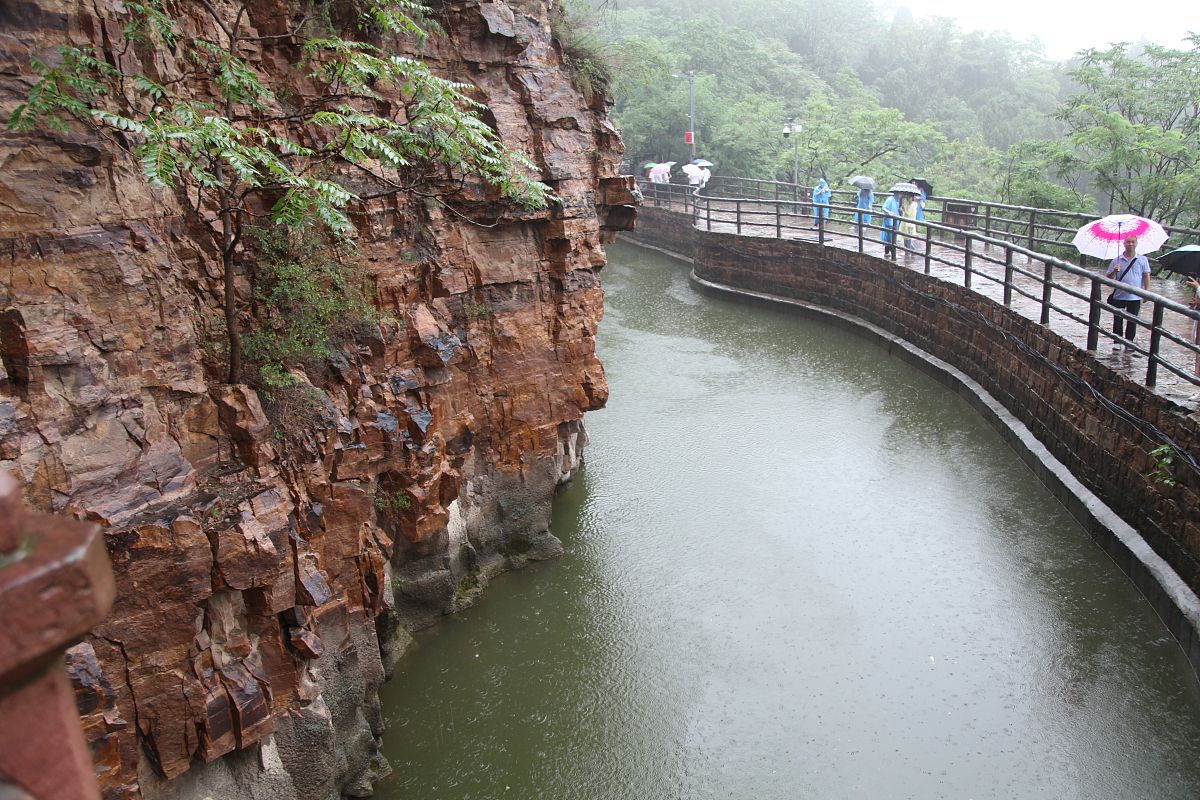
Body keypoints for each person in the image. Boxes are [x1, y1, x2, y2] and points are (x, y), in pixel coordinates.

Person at [1104, 235, 1152, 352]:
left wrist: (1146, 291)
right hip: (1119, 294)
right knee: (1118, 318)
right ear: (1124, 244)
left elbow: (1146, 275)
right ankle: (1117, 341)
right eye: (1128, 242)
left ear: (1136, 244)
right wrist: (1114, 271)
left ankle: (1129, 342)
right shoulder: (1117, 260)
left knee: (1132, 320)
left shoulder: (1142, 260)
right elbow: (1108, 278)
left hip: (1135, 296)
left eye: (1133, 242)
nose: (1130, 244)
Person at [880, 190, 900, 260]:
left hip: (895, 222)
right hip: (889, 222)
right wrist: (888, 212)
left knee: (889, 238)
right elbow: (883, 208)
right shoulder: (890, 199)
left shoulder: (898, 201)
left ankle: (887, 252)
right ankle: (893, 254)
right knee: (891, 238)